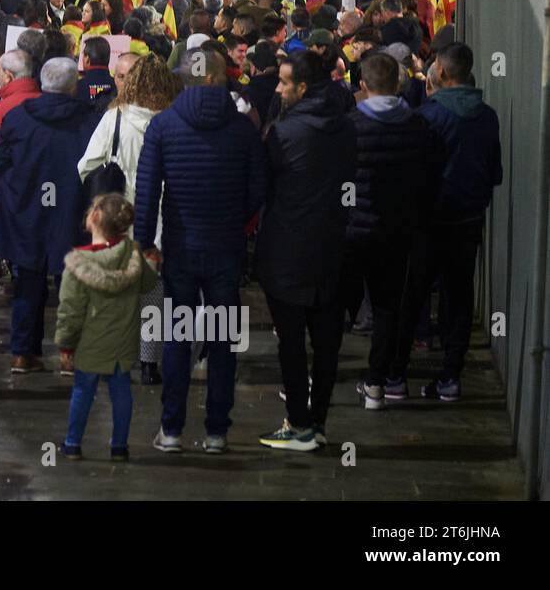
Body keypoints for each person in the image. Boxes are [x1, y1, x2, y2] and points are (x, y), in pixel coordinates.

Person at [134, 49, 265, 454]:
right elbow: (259, 189)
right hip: (226, 248)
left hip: (180, 248)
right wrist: (235, 221)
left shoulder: (163, 125)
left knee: (176, 336)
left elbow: (147, 188)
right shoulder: (243, 129)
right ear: (219, 78)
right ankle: (216, 432)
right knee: (223, 339)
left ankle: (171, 429)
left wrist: (144, 242)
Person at [254, 51, 357, 452]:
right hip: (333, 245)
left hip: (289, 249)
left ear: (302, 87)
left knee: (292, 342)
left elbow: (266, 185)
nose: (277, 89)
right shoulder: (346, 127)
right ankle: (319, 421)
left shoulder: (285, 132)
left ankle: (298, 424)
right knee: (328, 342)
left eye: (283, 83)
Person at [392, 44, 502, 402]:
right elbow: (495, 172)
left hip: (429, 221)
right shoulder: (487, 116)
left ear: (441, 71)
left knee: (414, 296)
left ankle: (395, 375)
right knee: (459, 297)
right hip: (468, 221)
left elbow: (414, 173)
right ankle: (451, 377)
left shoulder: (428, 116)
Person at [0, 58, 99, 375]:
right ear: (73, 84)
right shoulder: (90, 120)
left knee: (28, 282)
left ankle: (22, 352)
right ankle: (70, 354)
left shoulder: (17, 117)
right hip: (73, 210)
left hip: (27, 211)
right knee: (73, 285)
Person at [344, 52, 442, 410]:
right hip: (398, 231)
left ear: (363, 86)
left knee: (338, 305)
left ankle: (319, 382)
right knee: (388, 307)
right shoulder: (418, 126)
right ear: (399, 85)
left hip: (355, 230)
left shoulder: (351, 125)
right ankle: (376, 383)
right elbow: (427, 178)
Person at [79, 53, 179, 385]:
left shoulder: (115, 119)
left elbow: (87, 165)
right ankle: (150, 362)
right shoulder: (173, 119)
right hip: (164, 214)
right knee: (154, 290)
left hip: (120, 214)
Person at [56, 194, 158, 461]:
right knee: (121, 392)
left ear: (96, 218)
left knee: (83, 392)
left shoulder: (78, 265)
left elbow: (70, 311)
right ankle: (119, 447)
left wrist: (66, 345)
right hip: (123, 344)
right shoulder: (132, 256)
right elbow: (148, 285)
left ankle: (72, 444)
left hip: (90, 345)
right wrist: (152, 264)